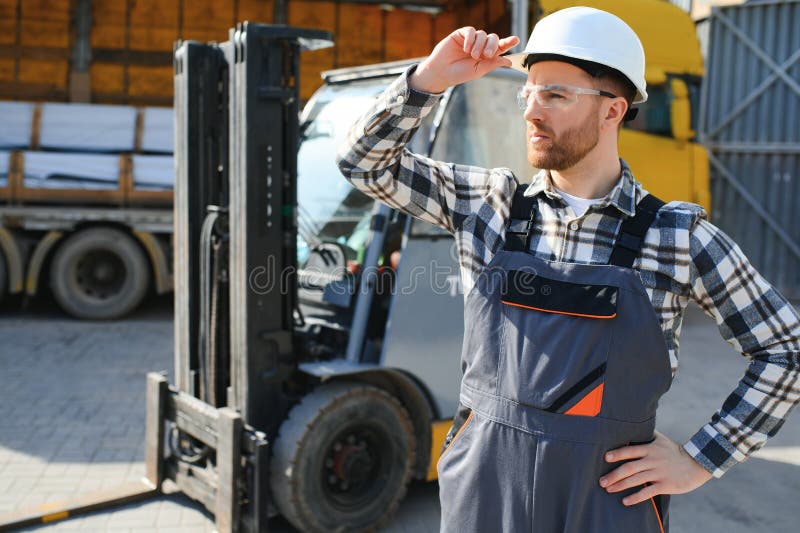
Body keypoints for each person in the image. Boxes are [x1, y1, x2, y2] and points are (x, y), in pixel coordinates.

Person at [336, 6, 800, 532]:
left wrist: (701, 459)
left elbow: (785, 348)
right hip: (484, 491)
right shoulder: (487, 205)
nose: (532, 112)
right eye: (528, 93)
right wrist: (428, 81)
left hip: (604, 502)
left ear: (613, 110)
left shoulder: (676, 238)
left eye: (555, 95)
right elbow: (362, 162)